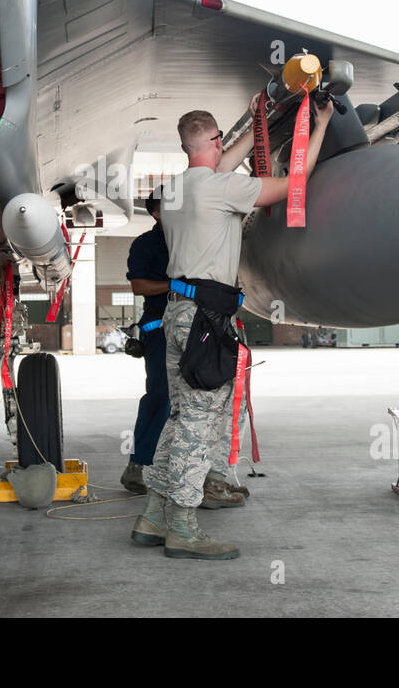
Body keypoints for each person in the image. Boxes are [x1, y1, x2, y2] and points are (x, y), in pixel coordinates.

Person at [133, 96, 333, 559]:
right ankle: (182, 526)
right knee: (199, 425)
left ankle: (153, 515)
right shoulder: (221, 189)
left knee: (181, 417)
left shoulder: (174, 191)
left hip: (178, 314)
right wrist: (316, 127)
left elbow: (220, 161)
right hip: (208, 318)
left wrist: (261, 121)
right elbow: (294, 182)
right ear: (215, 141)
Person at [120, 189, 169, 494]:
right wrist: (174, 285)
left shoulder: (191, 239)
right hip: (160, 330)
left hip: (196, 330)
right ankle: (138, 464)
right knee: (162, 397)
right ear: (157, 213)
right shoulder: (145, 244)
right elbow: (139, 286)